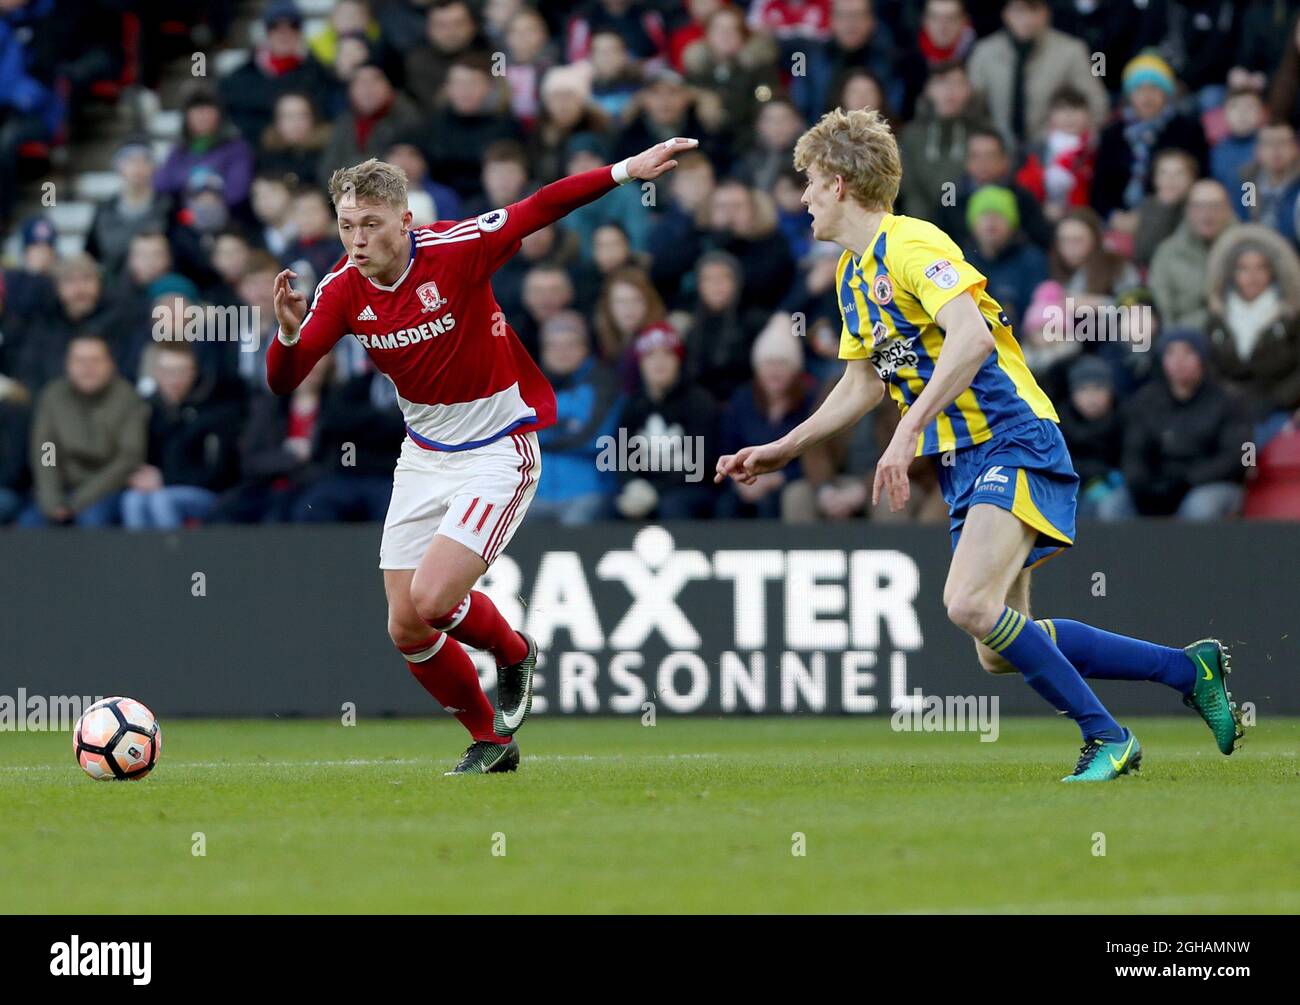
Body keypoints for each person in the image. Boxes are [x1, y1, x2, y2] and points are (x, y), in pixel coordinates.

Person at [716, 108, 1245, 782]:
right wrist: (785, 445)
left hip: (1012, 435)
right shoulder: (853, 277)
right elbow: (863, 383)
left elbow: (971, 338)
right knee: (997, 647)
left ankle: (1107, 737)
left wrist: (909, 431)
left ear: (842, 183)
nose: (804, 198)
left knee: (966, 603)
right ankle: (1186, 667)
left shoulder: (912, 243)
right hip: (969, 458)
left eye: (811, 183)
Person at [266, 137, 699, 774]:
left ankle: (515, 650)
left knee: (435, 601)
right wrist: (286, 331)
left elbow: (536, 208)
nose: (356, 240)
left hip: (499, 447)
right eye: (346, 225)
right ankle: (490, 741)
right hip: (423, 453)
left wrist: (625, 171)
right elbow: (284, 381)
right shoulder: (340, 291)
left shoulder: (456, 249)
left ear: (405, 220)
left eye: (371, 224)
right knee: (406, 628)